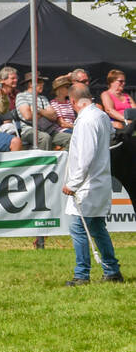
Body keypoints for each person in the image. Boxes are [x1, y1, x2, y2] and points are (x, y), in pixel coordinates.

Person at [63, 84, 123, 286]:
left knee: (78, 229)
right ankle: (112, 270)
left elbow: (85, 157)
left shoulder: (86, 121)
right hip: (99, 180)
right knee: (97, 227)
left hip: (87, 185)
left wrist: (72, 183)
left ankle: (82, 274)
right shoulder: (101, 116)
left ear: (72, 101)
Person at [16, 73, 70, 149]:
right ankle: (45, 161)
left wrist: (38, 110)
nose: (43, 84)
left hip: (48, 130)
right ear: (31, 84)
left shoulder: (43, 98)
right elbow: (28, 116)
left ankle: (65, 160)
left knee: (70, 138)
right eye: (40, 82)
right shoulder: (21, 96)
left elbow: (54, 116)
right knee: (45, 138)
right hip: (29, 130)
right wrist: (46, 113)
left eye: (42, 82)